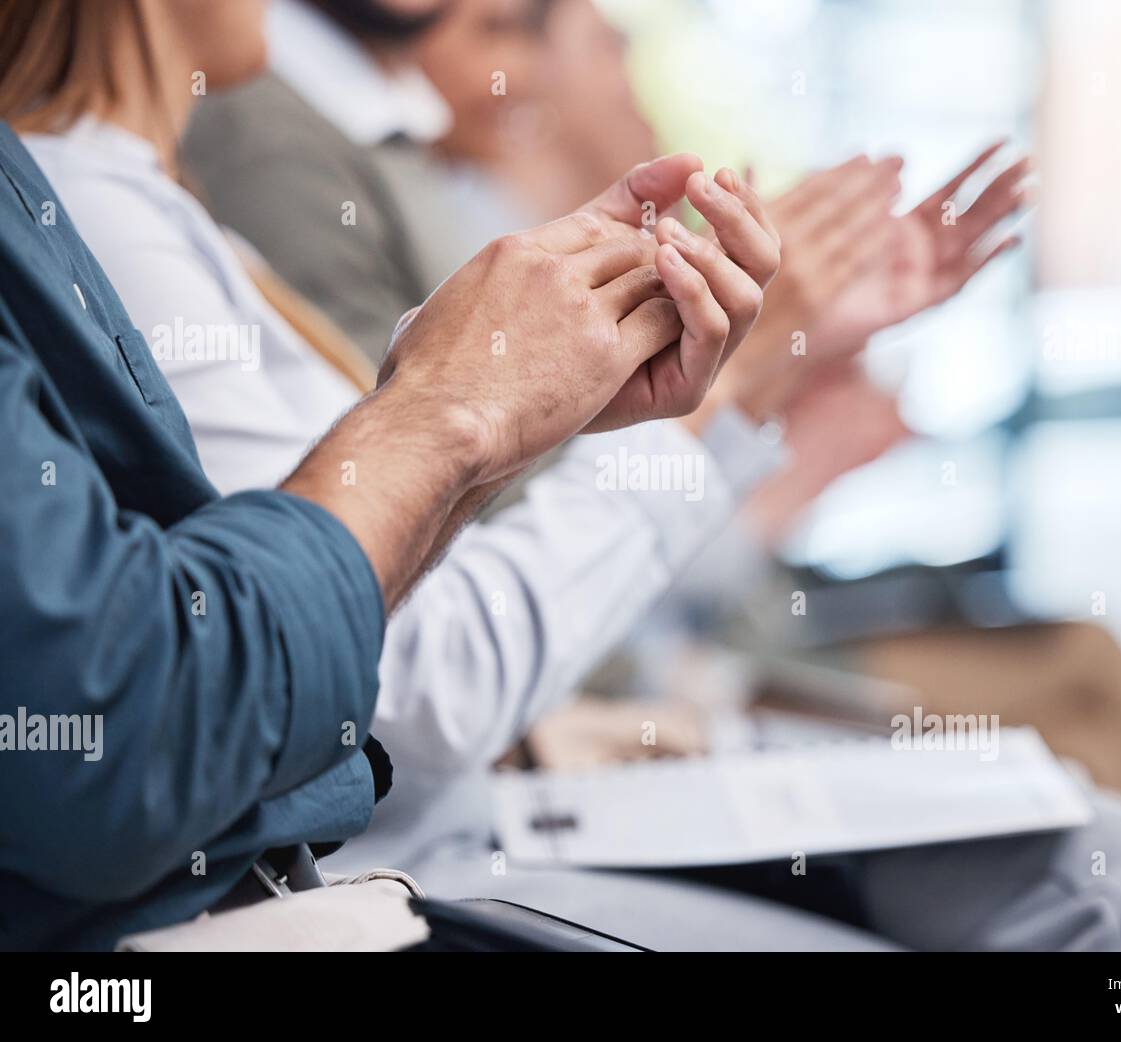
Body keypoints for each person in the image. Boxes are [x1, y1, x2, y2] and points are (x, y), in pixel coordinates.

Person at [0, 0, 777, 950]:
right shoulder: (100, 193)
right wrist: (457, 409)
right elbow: (389, 689)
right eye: (500, 31)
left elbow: (330, 624)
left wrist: (505, 424)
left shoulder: (130, 196)